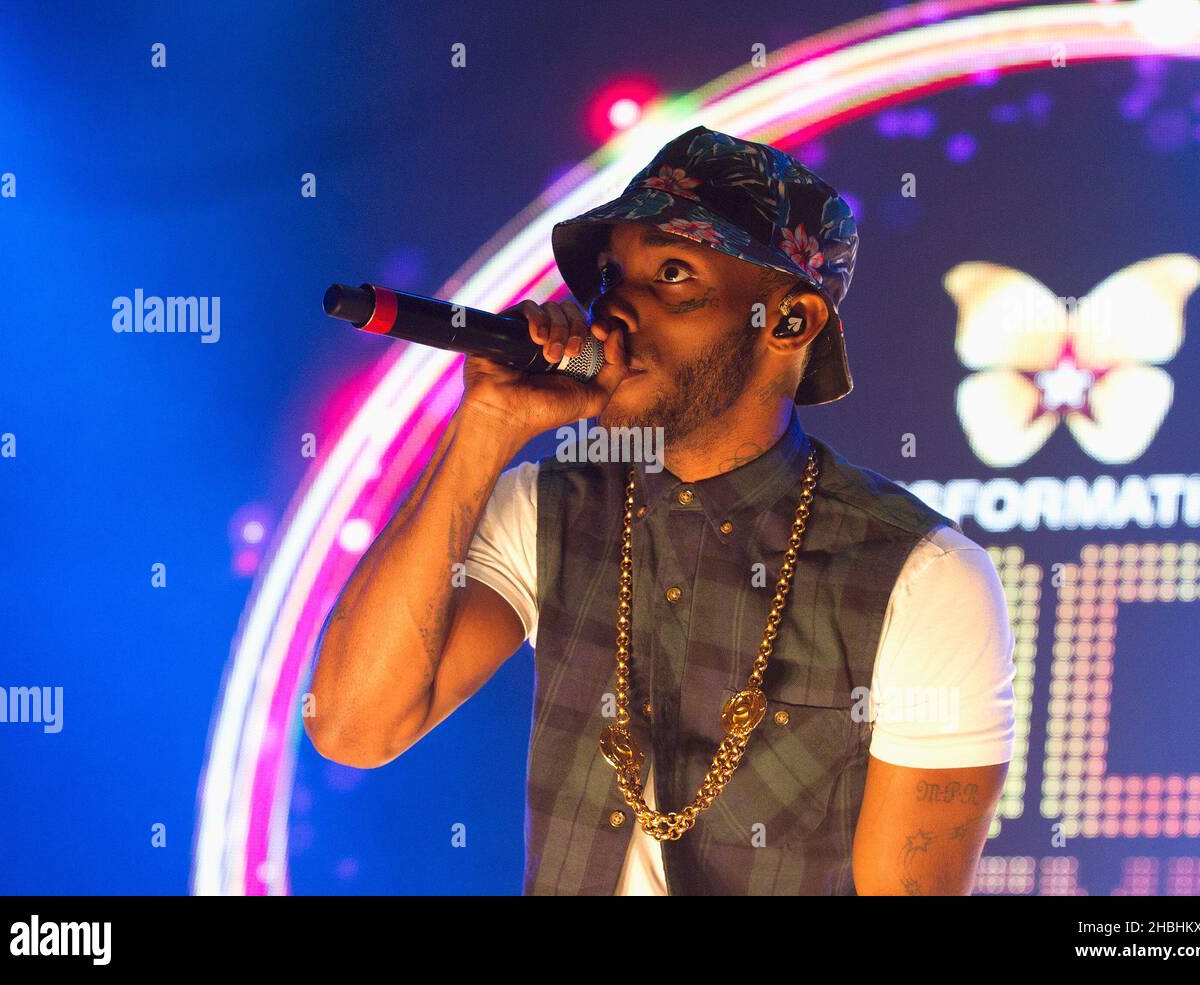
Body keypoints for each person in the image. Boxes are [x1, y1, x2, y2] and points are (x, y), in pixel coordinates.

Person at [305, 125, 1016, 895]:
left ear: (789, 322)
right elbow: (352, 726)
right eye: (612, 277)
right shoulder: (548, 511)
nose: (614, 313)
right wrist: (486, 428)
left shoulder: (920, 577)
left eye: (673, 274)